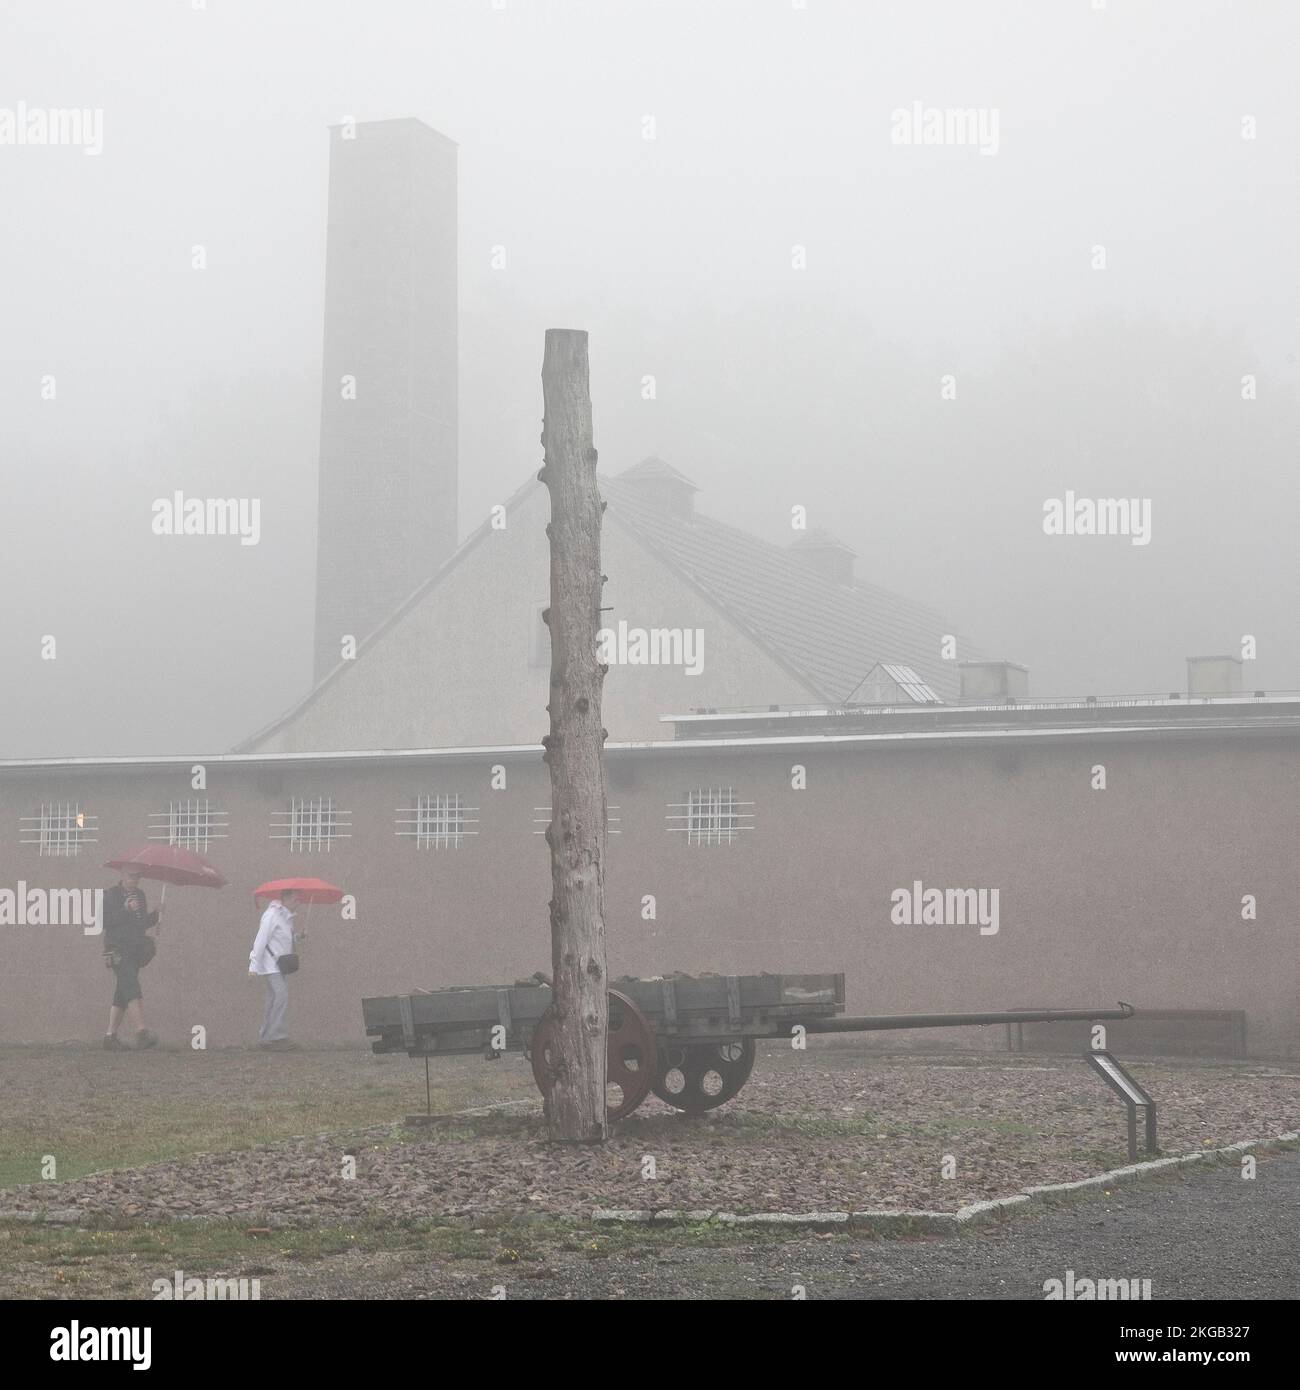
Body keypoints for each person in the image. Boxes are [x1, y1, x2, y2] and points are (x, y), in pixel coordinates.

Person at [102, 866, 161, 1050]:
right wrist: (125, 909)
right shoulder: (112, 894)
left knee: (122, 992)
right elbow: (105, 921)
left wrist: (156, 915)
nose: (134, 880)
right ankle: (141, 1031)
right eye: (131, 877)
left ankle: (110, 1037)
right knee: (131, 985)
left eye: (137, 877)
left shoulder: (140, 895)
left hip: (134, 949)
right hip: (117, 948)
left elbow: (141, 923)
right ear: (123, 875)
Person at [249, 889, 301, 1051]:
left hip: (279, 966)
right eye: (295, 899)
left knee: (272, 999)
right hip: (272, 965)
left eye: (299, 899)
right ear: (285, 898)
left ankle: (266, 1037)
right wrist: (253, 965)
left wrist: (299, 937)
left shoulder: (286, 917)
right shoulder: (271, 915)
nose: (297, 902)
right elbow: (261, 939)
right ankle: (276, 1036)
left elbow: (284, 939)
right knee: (281, 996)